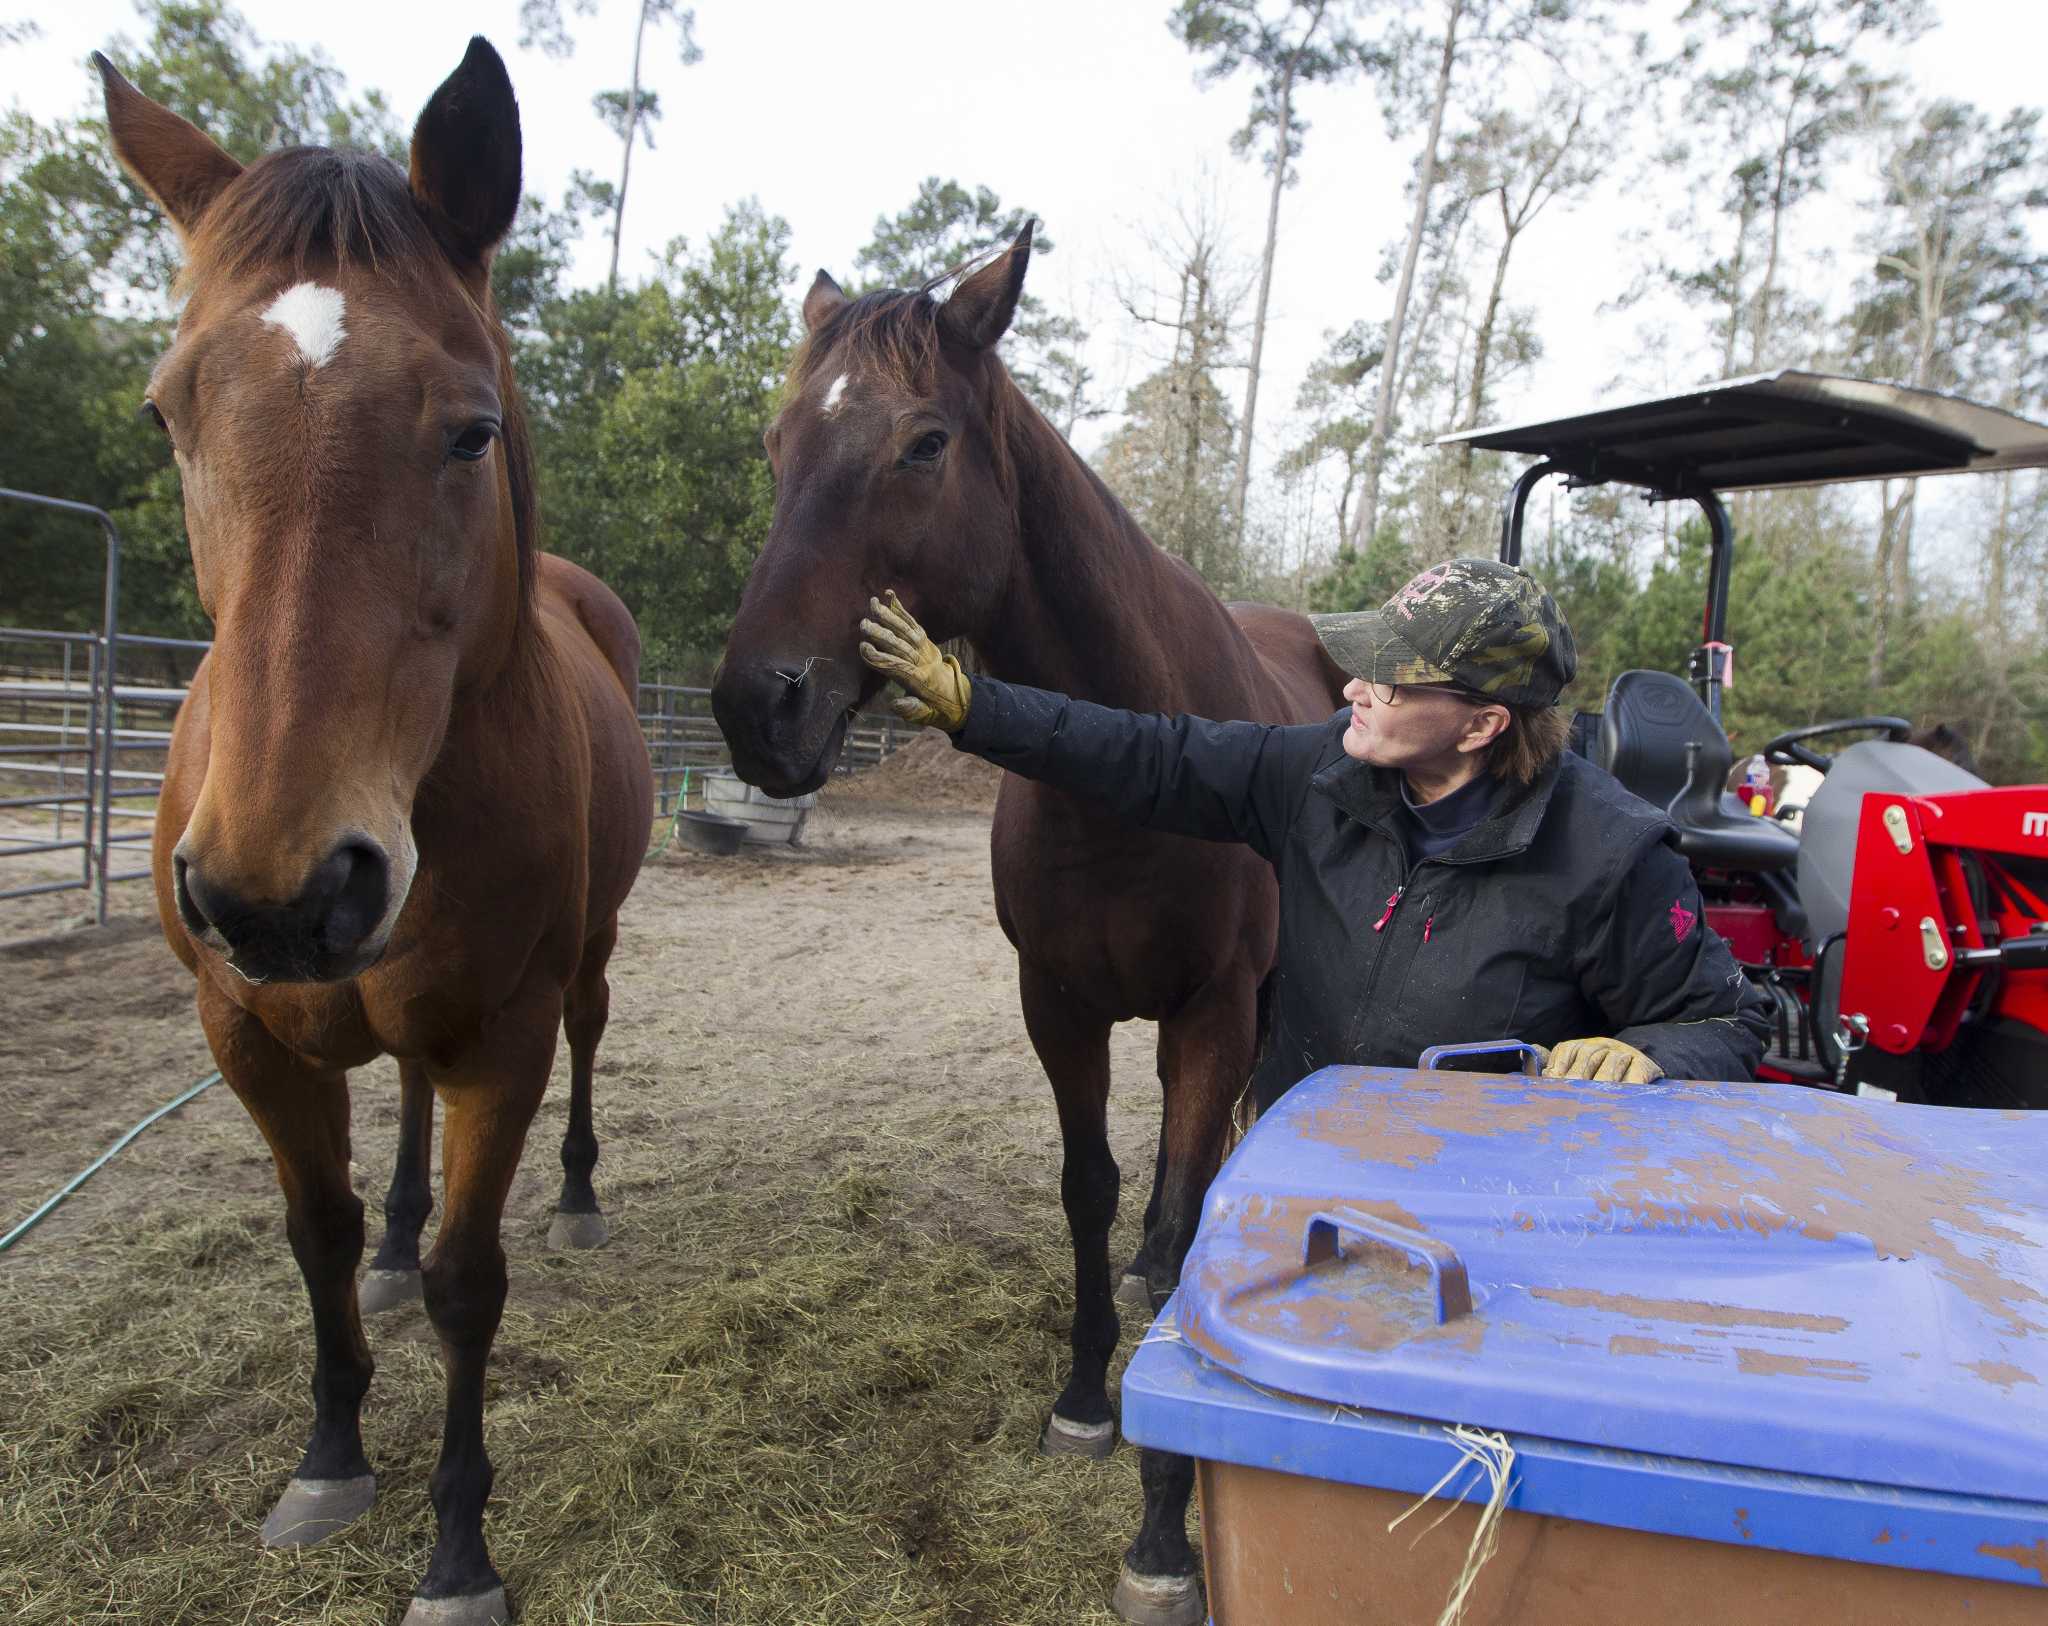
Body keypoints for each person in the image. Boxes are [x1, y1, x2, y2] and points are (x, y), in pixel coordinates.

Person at [858, 557, 1771, 1106]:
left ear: (1484, 725)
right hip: (1305, 1166)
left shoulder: (1609, 854)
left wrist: (1646, 1052)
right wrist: (973, 705)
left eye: (1391, 681)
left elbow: (1727, 1019)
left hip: (1474, 1201)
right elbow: (1149, 754)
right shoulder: (1323, 774)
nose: (1351, 690)